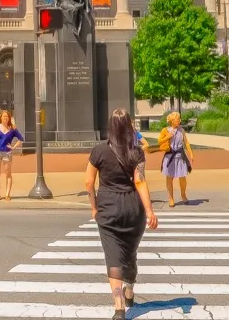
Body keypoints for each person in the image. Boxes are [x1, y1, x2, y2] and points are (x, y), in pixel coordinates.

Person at [85, 108, 159, 320]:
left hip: (108, 208)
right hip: (132, 208)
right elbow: (140, 181)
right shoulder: (137, 152)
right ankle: (129, 288)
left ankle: (119, 307)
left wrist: (93, 206)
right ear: (129, 127)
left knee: (113, 257)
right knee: (129, 253)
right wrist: (149, 211)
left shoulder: (98, 151)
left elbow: (88, 182)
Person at [157, 111, 195, 207]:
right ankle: (171, 198)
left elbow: (186, 143)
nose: (179, 120)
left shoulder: (181, 130)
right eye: (177, 119)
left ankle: (183, 194)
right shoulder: (165, 130)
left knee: (183, 177)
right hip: (170, 156)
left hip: (180, 156)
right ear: (172, 121)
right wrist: (167, 137)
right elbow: (159, 141)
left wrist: (191, 154)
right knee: (169, 178)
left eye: (179, 119)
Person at [0, 110, 23, 201]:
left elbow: (20, 139)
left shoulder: (12, 128)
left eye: (7, 116)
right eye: (4, 116)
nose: (5, 118)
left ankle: (7, 194)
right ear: (0, 118)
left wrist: (13, 147)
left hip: (7, 153)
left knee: (8, 174)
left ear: (9, 118)